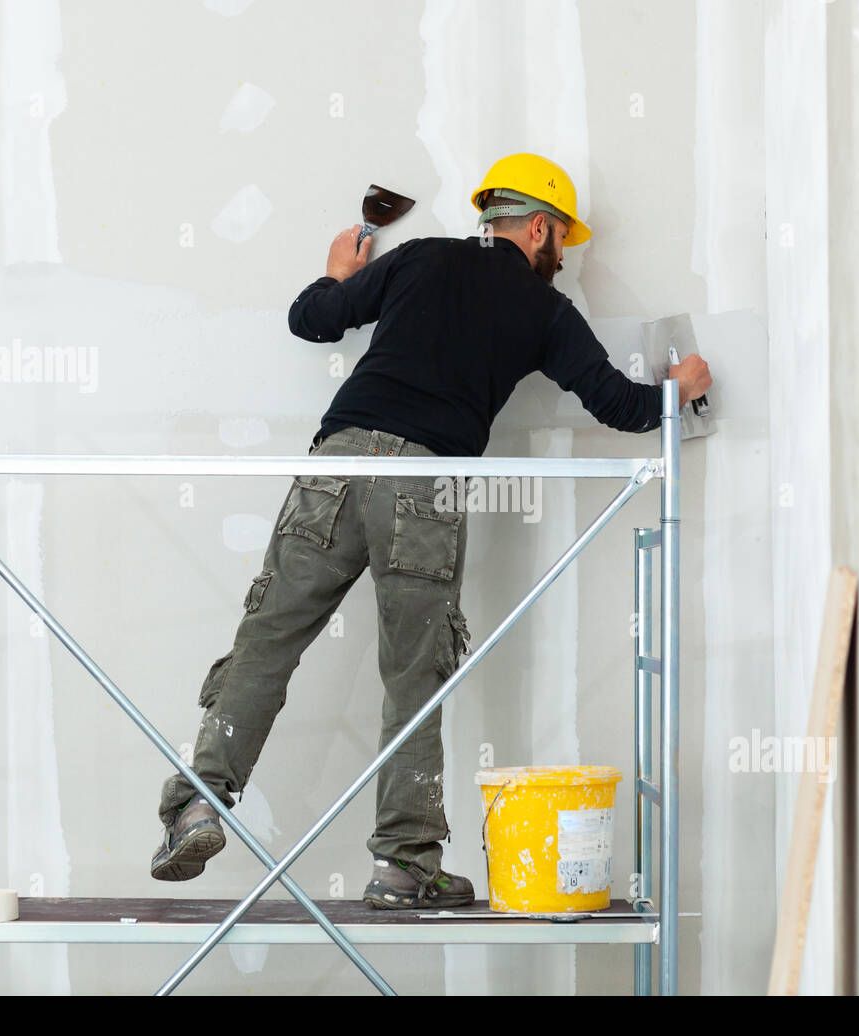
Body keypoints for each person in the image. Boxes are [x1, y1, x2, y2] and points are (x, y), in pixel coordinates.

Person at [151, 152, 712, 909]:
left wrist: (336, 276)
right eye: (561, 243)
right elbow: (616, 403)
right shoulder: (546, 312)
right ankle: (404, 865)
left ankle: (198, 800)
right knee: (413, 675)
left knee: (268, 638)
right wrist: (676, 394)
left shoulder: (417, 258)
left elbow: (309, 319)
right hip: (425, 482)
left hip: (336, 464)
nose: (561, 258)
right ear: (540, 227)